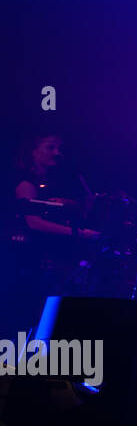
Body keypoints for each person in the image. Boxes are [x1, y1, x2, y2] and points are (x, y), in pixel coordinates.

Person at [7, 132, 101, 332]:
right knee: (19, 314)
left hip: (29, 258)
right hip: (18, 258)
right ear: (32, 152)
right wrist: (80, 233)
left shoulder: (43, 183)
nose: (57, 153)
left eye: (59, 148)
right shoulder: (25, 182)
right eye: (50, 147)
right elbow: (33, 222)